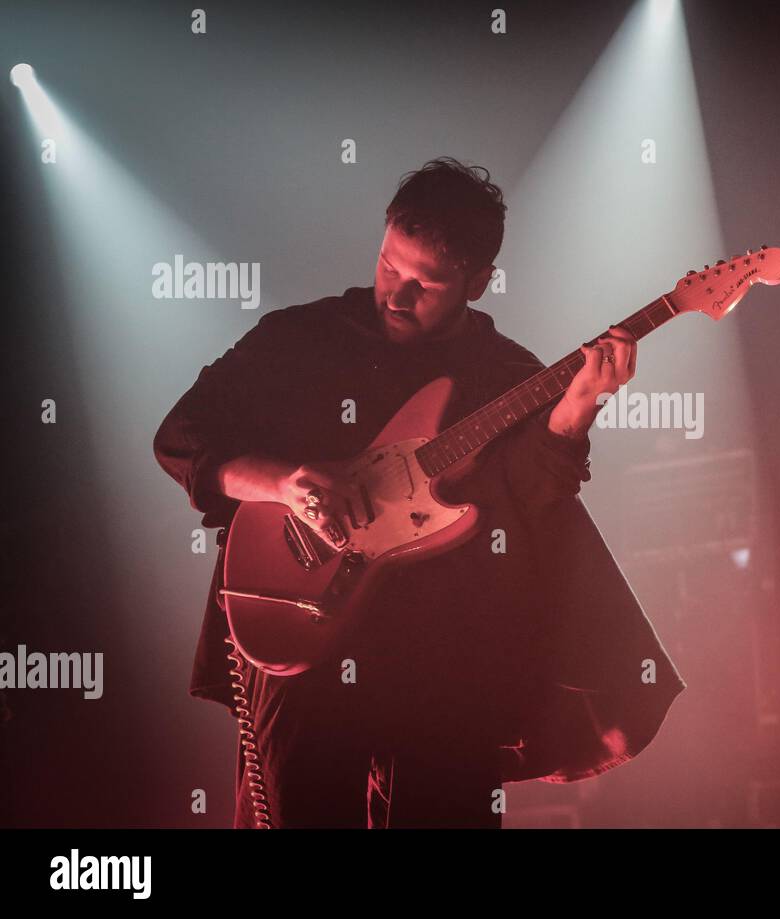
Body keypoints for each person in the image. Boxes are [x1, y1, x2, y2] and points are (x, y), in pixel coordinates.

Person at [154, 157, 684, 828]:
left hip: (446, 644)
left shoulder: (505, 373)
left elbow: (533, 496)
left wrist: (578, 406)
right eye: (387, 266)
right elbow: (180, 433)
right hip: (303, 618)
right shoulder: (297, 340)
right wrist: (283, 484)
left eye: (425, 285)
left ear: (479, 281)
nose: (395, 296)